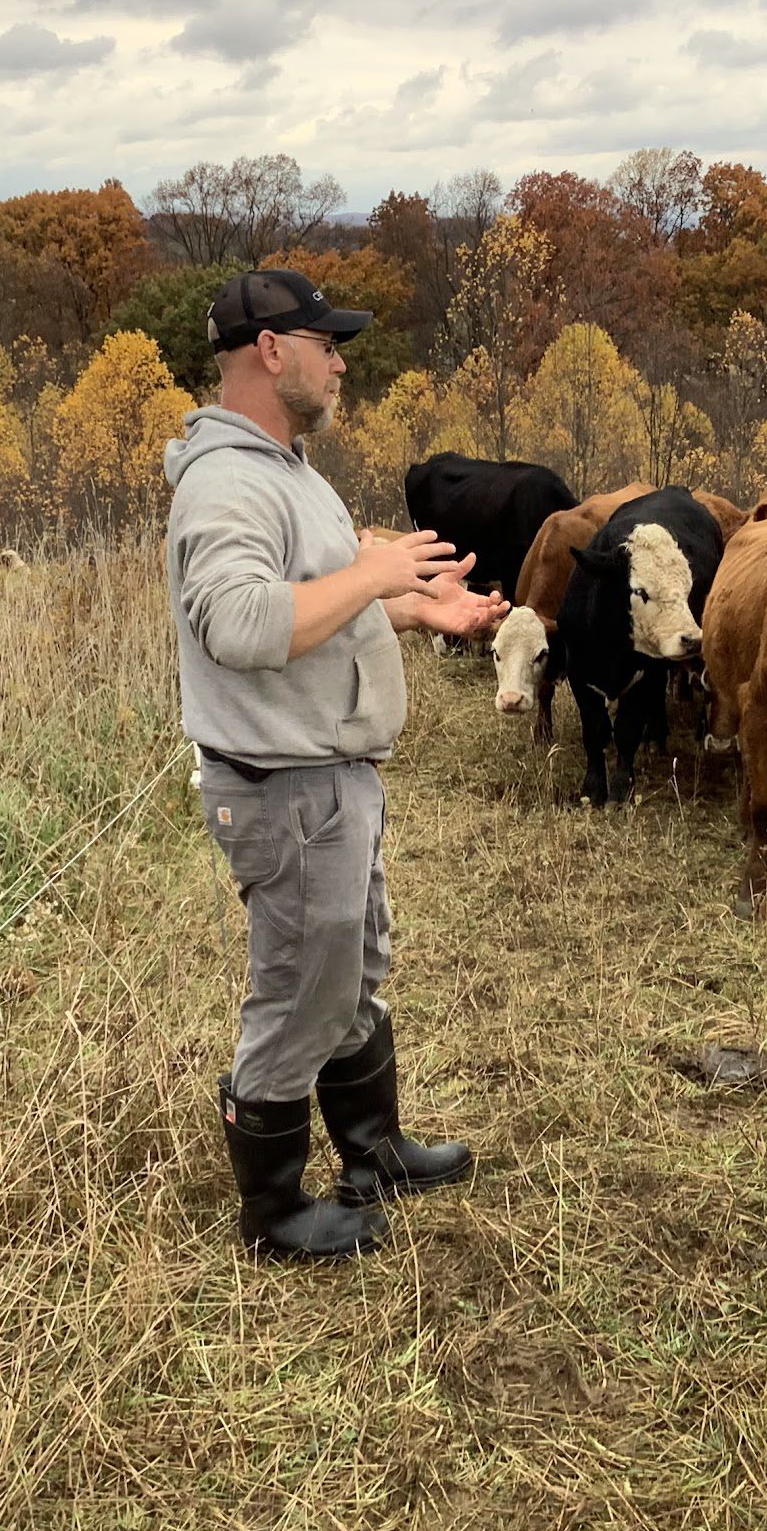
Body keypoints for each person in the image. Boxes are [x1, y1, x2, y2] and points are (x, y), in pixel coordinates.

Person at [164, 269, 507, 1260]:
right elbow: (238, 622)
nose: (340, 357)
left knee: (351, 968)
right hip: (283, 788)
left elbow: (307, 607)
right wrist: (373, 573)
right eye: (325, 340)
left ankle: (374, 1152)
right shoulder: (227, 479)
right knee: (299, 990)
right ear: (273, 351)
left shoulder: (287, 465)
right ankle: (272, 1214)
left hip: (326, 779)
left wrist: (410, 607)